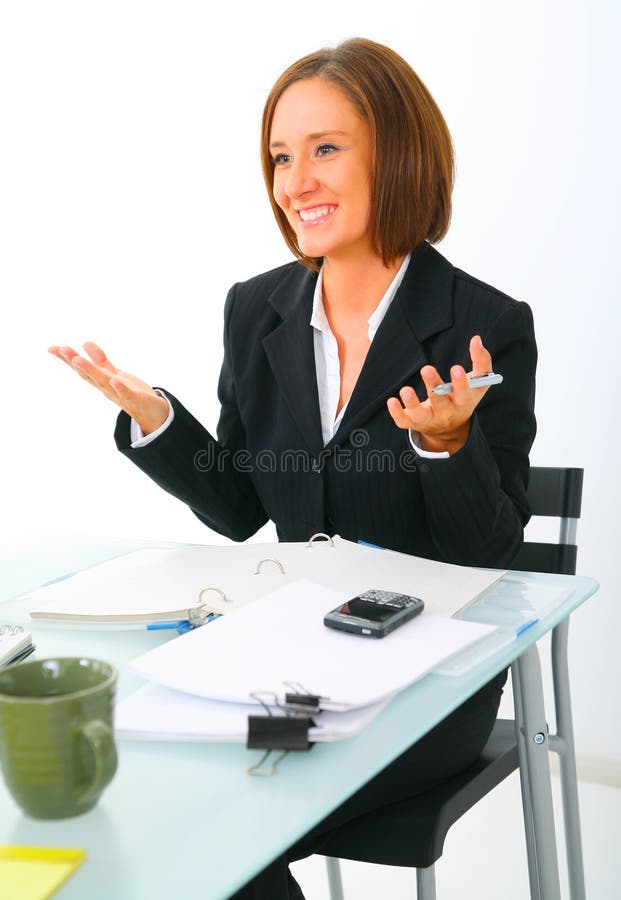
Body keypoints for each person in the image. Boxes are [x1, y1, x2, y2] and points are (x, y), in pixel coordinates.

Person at [50, 37, 536, 899]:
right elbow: (240, 505)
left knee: (220, 809)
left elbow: (487, 550)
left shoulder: (481, 322)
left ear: (398, 152)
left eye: (325, 149)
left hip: (425, 681)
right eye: (280, 156)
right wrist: (157, 421)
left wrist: (445, 446)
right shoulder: (255, 309)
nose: (293, 181)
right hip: (285, 656)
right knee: (156, 782)